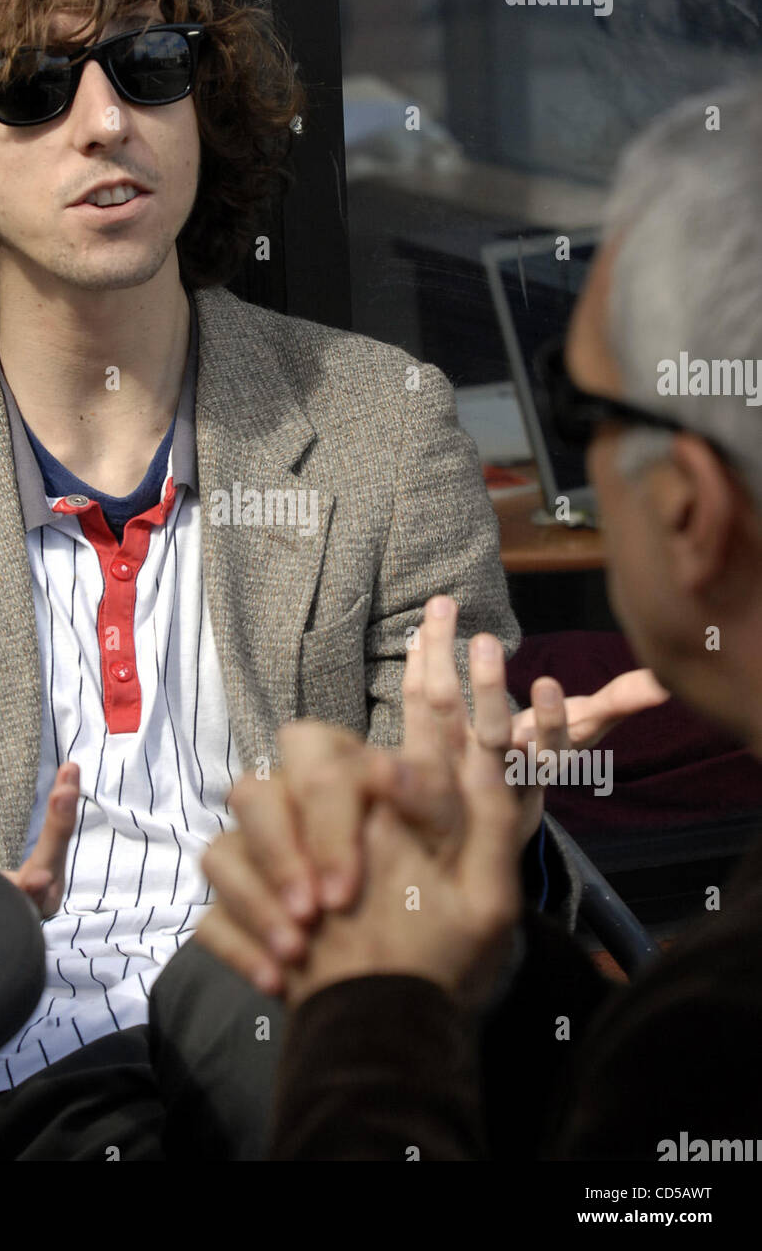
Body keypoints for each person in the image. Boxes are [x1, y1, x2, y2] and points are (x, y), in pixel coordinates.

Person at [0, 0, 658, 1161]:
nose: (105, 120)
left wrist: (469, 816)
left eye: (150, 65)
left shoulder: (378, 420)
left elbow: (418, 830)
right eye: (31, 85)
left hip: (291, 1022)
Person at [195, 78, 762, 1160]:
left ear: (689, 508)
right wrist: (494, 948)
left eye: (569, 404)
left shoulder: (714, 1033)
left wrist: (376, 1001)